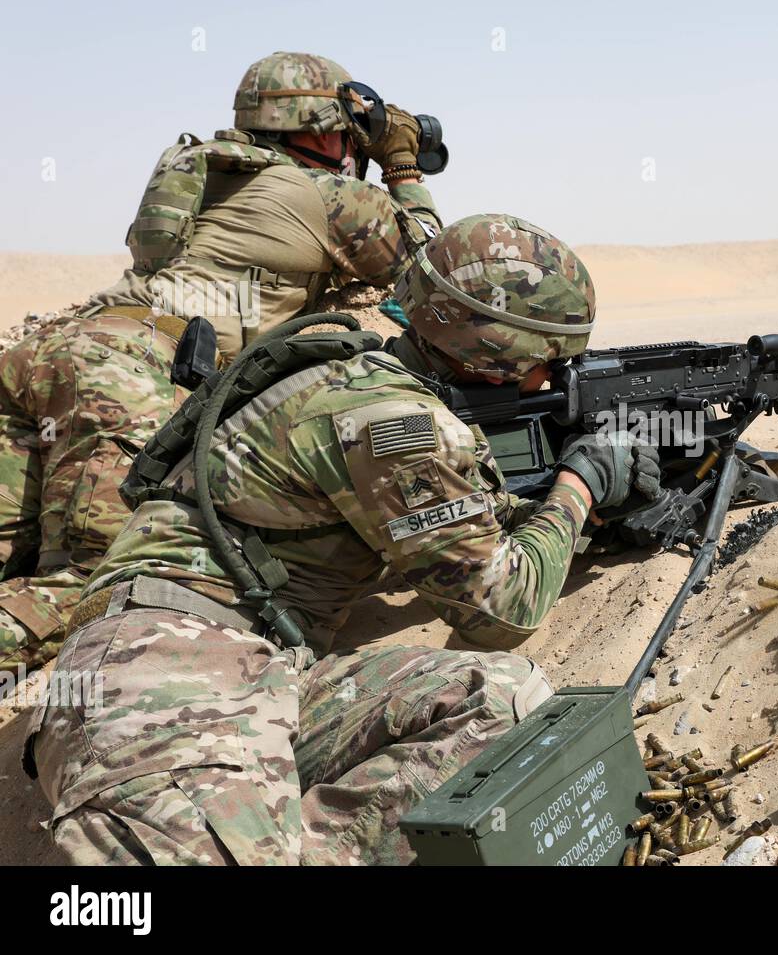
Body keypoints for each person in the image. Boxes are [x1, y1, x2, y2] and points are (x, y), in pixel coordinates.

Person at [26, 213, 662, 865]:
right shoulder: (396, 421)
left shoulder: (356, 383)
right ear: (498, 357)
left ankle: (283, 841)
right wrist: (580, 486)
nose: (551, 380)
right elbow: (503, 609)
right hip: (161, 684)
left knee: (501, 704)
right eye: (547, 362)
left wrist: (605, 500)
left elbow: (465, 530)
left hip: (258, 675)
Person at [0, 51, 442, 678]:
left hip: (57, 352)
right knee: (94, 578)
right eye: (347, 129)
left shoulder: (213, 173)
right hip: (130, 374)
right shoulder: (329, 197)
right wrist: (399, 163)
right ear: (320, 129)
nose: (352, 142)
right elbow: (430, 268)